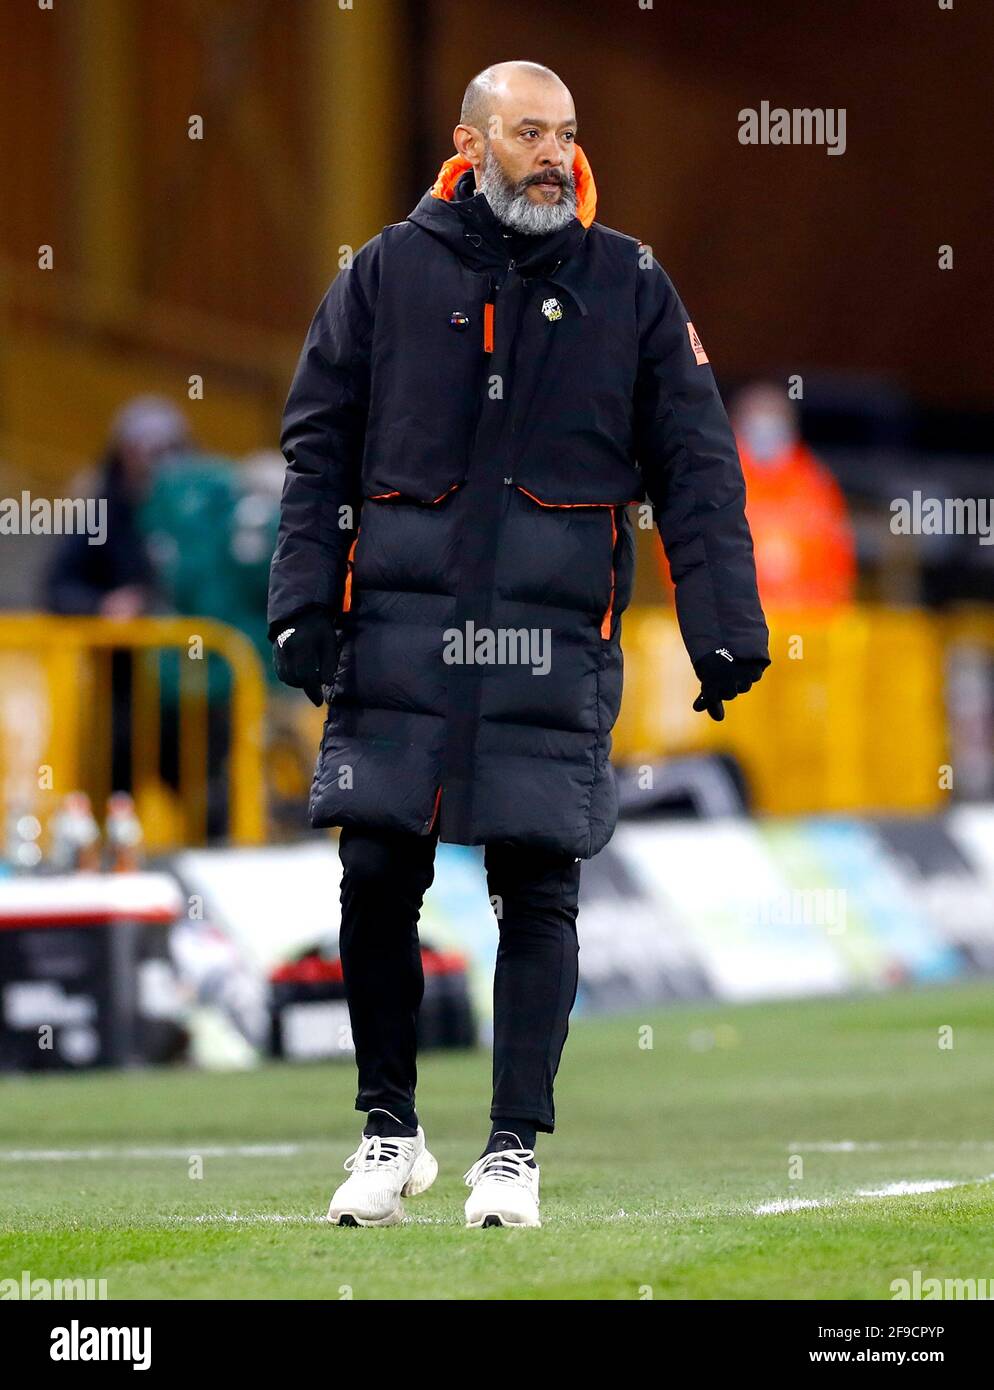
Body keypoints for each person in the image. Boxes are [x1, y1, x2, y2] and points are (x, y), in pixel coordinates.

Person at [268, 61, 769, 1229]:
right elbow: (318, 445)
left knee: (537, 884)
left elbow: (695, 463)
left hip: (550, 642)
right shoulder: (385, 272)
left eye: (567, 133)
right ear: (470, 141)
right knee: (375, 876)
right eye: (529, 131)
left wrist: (725, 626)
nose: (554, 153)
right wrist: (300, 600)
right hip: (397, 632)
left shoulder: (629, 282)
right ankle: (388, 1133)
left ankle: (510, 1155)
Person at [730, 383, 856, 609]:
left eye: (774, 420)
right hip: (731, 621)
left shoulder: (815, 483)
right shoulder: (717, 481)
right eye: (757, 421)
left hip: (803, 622)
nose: (765, 432)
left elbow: (838, 556)